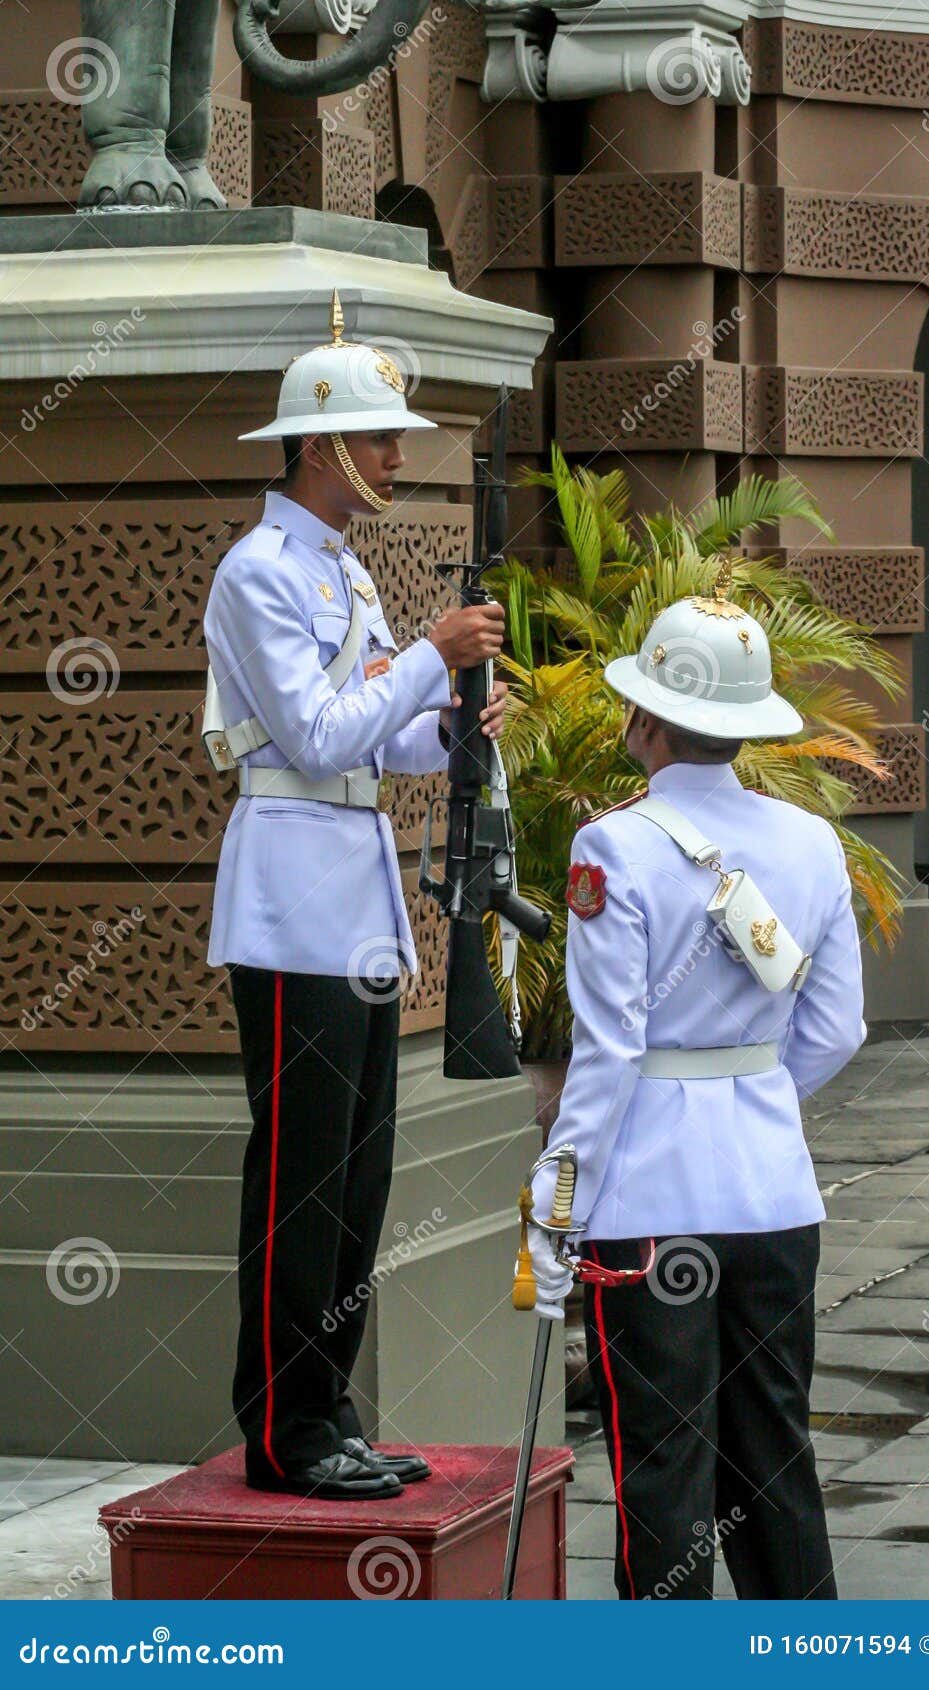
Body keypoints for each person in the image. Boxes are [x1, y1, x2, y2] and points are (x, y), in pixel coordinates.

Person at [202, 294, 507, 1500]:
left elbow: (383, 747)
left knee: (360, 1176)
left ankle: (329, 1407)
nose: (396, 455)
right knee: (301, 1178)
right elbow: (317, 731)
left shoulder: (345, 572)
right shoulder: (258, 572)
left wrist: (453, 716)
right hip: (290, 897)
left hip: (359, 896)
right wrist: (431, 652)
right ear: (322, 444)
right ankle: (284, 1428)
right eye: (380, 437)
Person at [525, 575, 867, 1598]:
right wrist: (747, 1093)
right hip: (771, 1191)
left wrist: (557, 1199)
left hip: (651, 1202)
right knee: (775, 1463)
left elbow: (609, 1052)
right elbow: (837, 1026)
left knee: (665, 1473)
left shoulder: (612, 846)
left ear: (647, 717)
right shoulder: (807, 841)